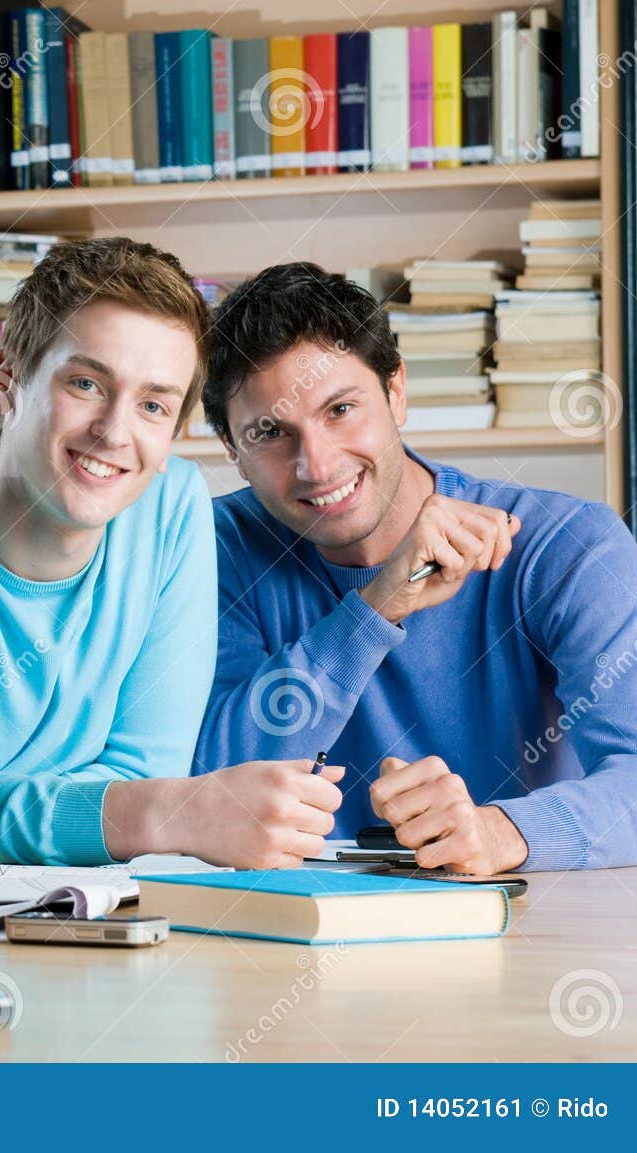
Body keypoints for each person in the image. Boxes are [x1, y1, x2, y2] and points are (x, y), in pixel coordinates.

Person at [0, 237, 345, 868]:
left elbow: (146, 767)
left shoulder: (171, 508)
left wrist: (135, 809)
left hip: (94, 905)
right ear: (3, 383)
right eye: (86, 383)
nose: (114, 432)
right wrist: (167, 813)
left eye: (152, 405)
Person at [194, 261, 637, 873]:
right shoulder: (210, 549)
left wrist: (499, 831)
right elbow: (209, 785)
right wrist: (376, 608)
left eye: (341, 409)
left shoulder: (567, 546)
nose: (317, 466)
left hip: (517, 926)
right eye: (270, 432)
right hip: (282, 933)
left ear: (396, 391)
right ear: (231, 452)